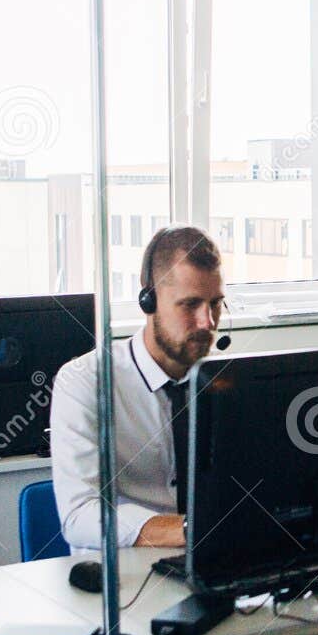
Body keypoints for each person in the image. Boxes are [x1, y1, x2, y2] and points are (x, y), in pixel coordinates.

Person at [51, 225, 226, 553]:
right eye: (190, 305)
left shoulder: (225, 380)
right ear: (148, 299)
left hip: (214, 560)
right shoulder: (85, 382)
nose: (208, 323)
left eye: (215, 304)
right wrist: (190, 530)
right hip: (124, 575)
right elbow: (79, 516)